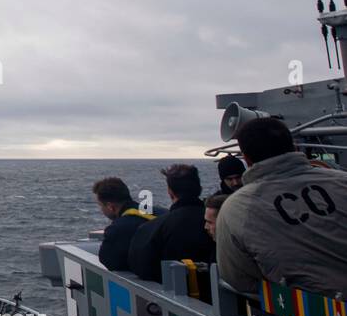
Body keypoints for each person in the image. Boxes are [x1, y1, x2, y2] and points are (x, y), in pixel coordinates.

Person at [214, 117, 347, 296]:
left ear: (246, 158)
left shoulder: (235, 209)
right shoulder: (342, 181)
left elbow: (238, 278)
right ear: (294, 147)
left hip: (309, 315)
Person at [128, 164, 215, 283]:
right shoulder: (221, 222)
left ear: (170, 192)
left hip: (174, 296)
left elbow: (141, 268)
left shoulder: (151, 228)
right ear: (199, 189)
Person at [92, 177, 154, 270]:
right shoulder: (159, 212)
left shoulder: (118, 229)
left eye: (101, 205)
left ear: (110, 207)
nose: (101, 209)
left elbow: (109, 261)